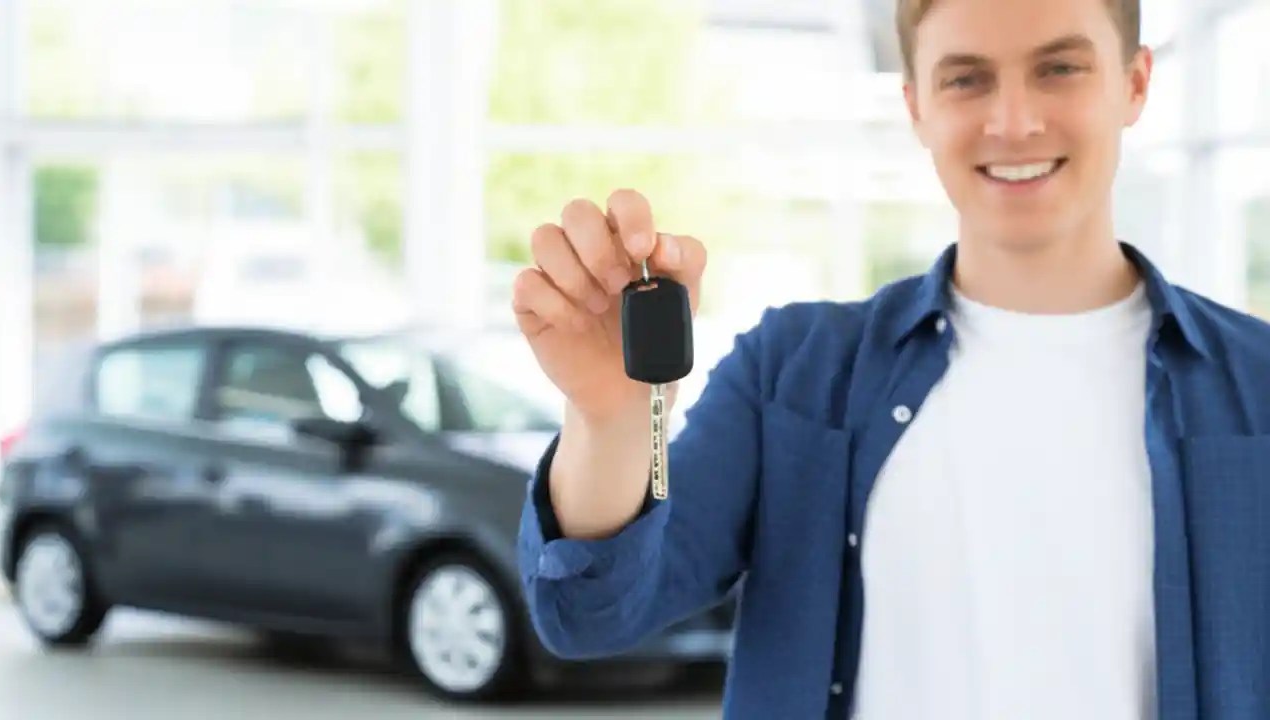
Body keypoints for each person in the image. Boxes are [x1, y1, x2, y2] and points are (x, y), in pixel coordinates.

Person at [510, 0, 1270, 717]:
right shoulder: (794, 374)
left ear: (1134, 84)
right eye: (966, 78)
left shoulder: (1258, 387)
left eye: (1059, 68)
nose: (1012, 121)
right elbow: (587, 615)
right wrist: (609, 419)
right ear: (916, 106)